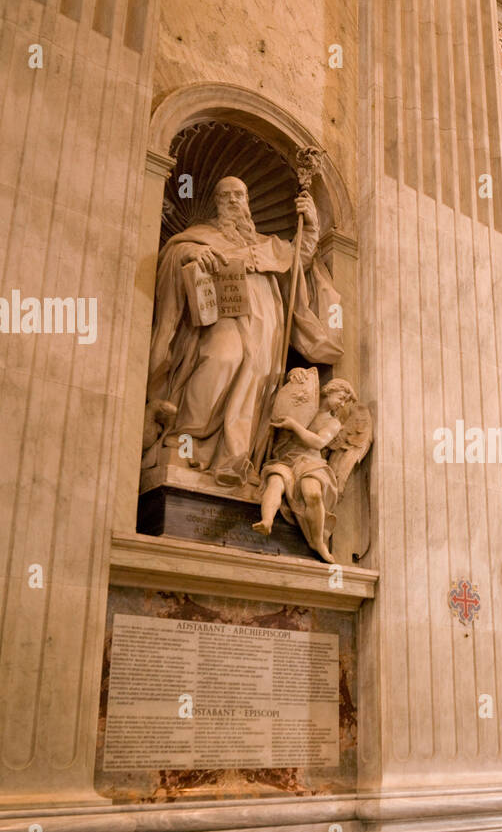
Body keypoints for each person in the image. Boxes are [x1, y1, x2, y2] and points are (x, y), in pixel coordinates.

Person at [145, 176, 342, 488]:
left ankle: (234, 457)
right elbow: (174, 253)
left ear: (248, 202)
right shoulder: (203, 236)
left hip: (267, 326)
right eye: (226, 196)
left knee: (259, 377)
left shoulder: (267, 244)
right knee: (223, 358)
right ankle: (187, 441)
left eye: (240, 195)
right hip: (223, 315)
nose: (234, 201)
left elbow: (298, 258)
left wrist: (313, 224)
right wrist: (193, 255)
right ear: (217, 203)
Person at [253, 371, 372, 563]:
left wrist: (294, 426)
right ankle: (267, 521)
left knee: (313, 493)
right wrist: (294, 373)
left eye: (344, 402)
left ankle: (317, 541)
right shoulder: (304, 402)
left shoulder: (333, 423)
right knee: (275, 480)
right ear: (328, 391)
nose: (341, 404)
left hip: (311, 462)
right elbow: (288, 396)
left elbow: (317, 443)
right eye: (341, 398)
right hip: (286, 459)